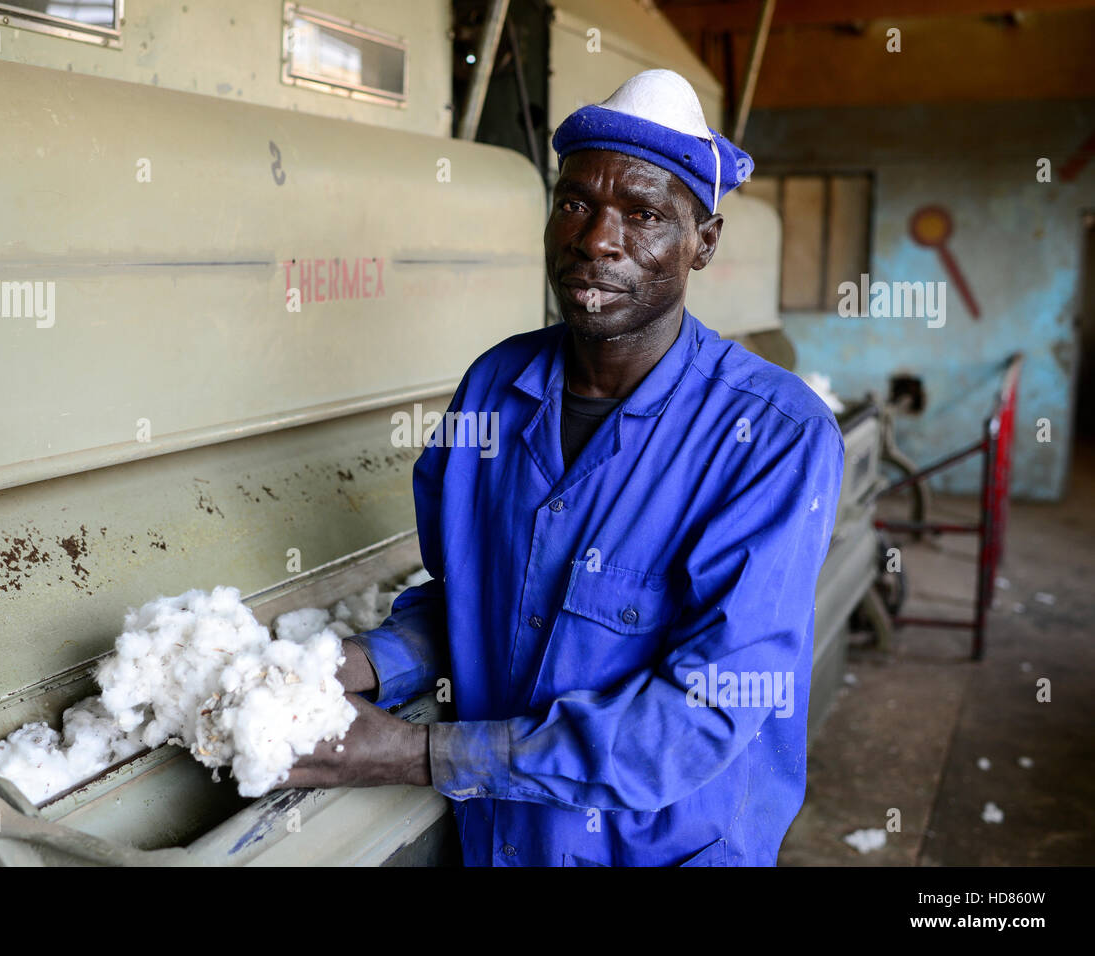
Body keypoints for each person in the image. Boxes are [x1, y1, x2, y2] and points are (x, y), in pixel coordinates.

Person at [279, 69, 845, 867]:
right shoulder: (493, 390)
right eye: (576, 202)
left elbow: (705, 713)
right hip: (504, 843)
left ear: (703, 242)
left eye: (643, 214)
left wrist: (412, 754)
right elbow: (474, 603)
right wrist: (362, 663)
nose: (596, 240)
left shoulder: (774, 437)